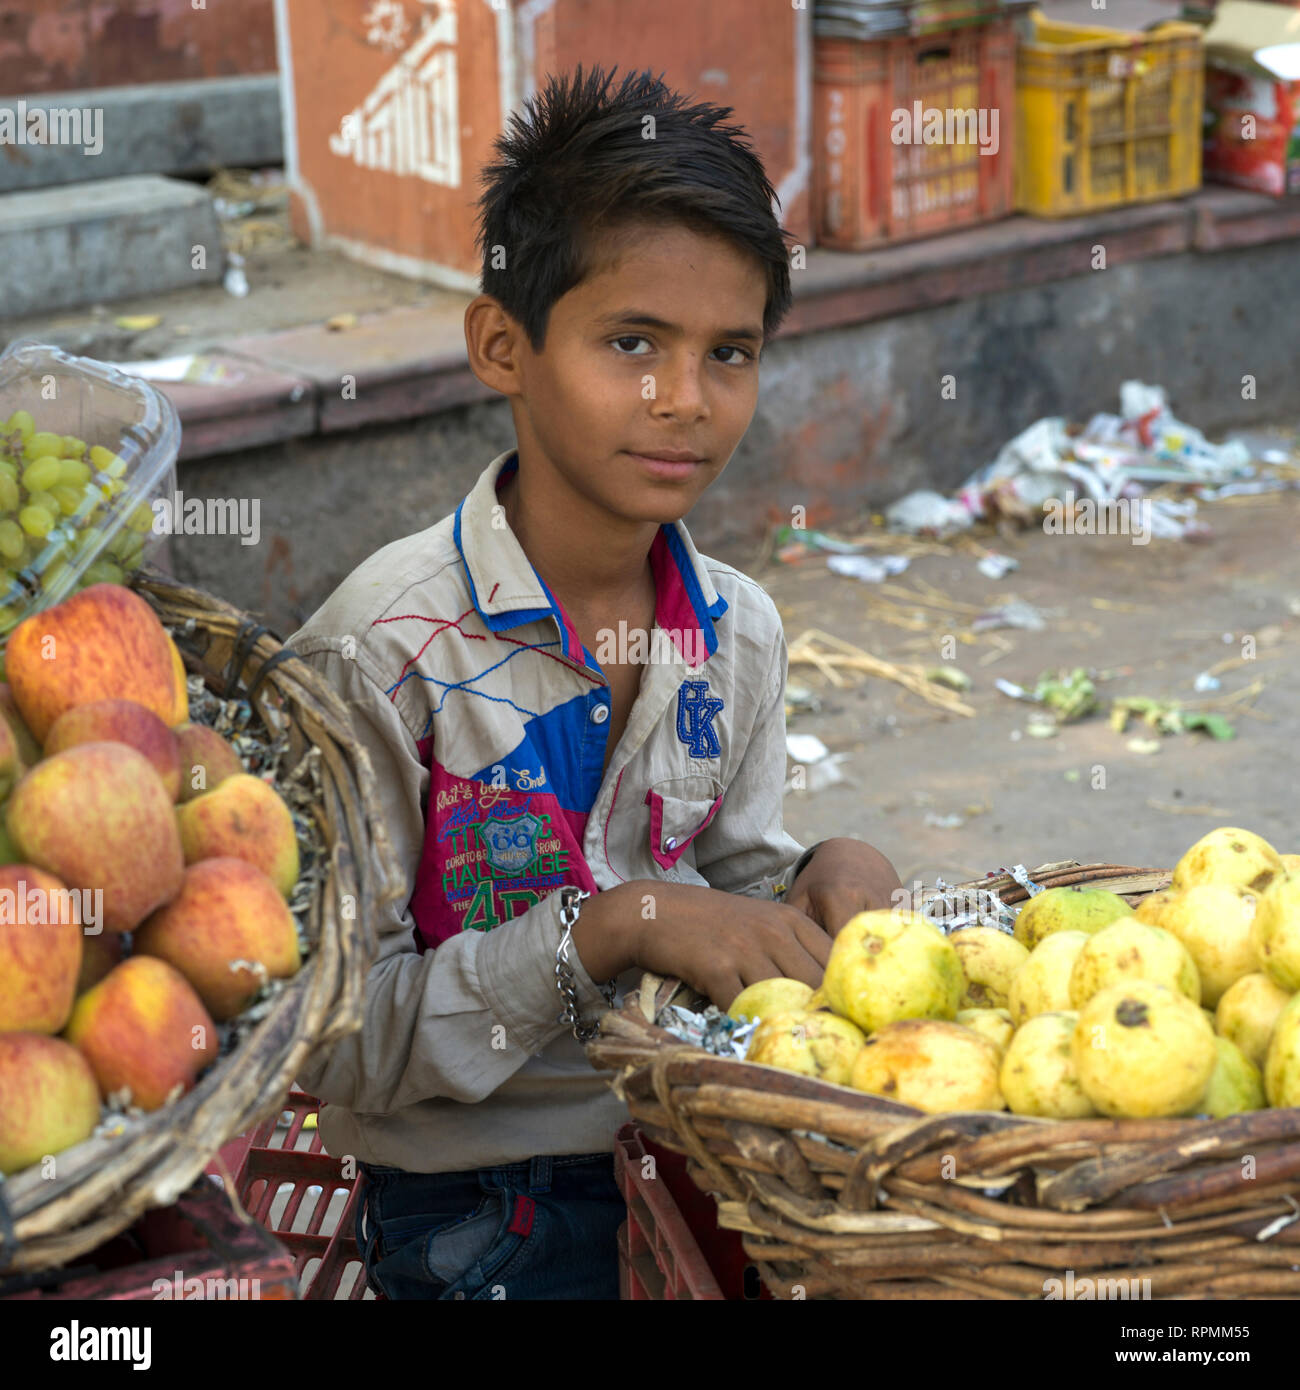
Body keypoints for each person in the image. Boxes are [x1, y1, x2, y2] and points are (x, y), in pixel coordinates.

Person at [289, 63, 903, 1302]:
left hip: (707, 1144)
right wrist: (612, 926)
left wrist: (823, 881)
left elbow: (722, 885)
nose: (683, 399)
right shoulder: (382, 652)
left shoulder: (736, 630)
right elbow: (341, 1045)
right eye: (632, 343)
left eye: (728, 352)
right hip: (479, 1198)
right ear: (501, 346)